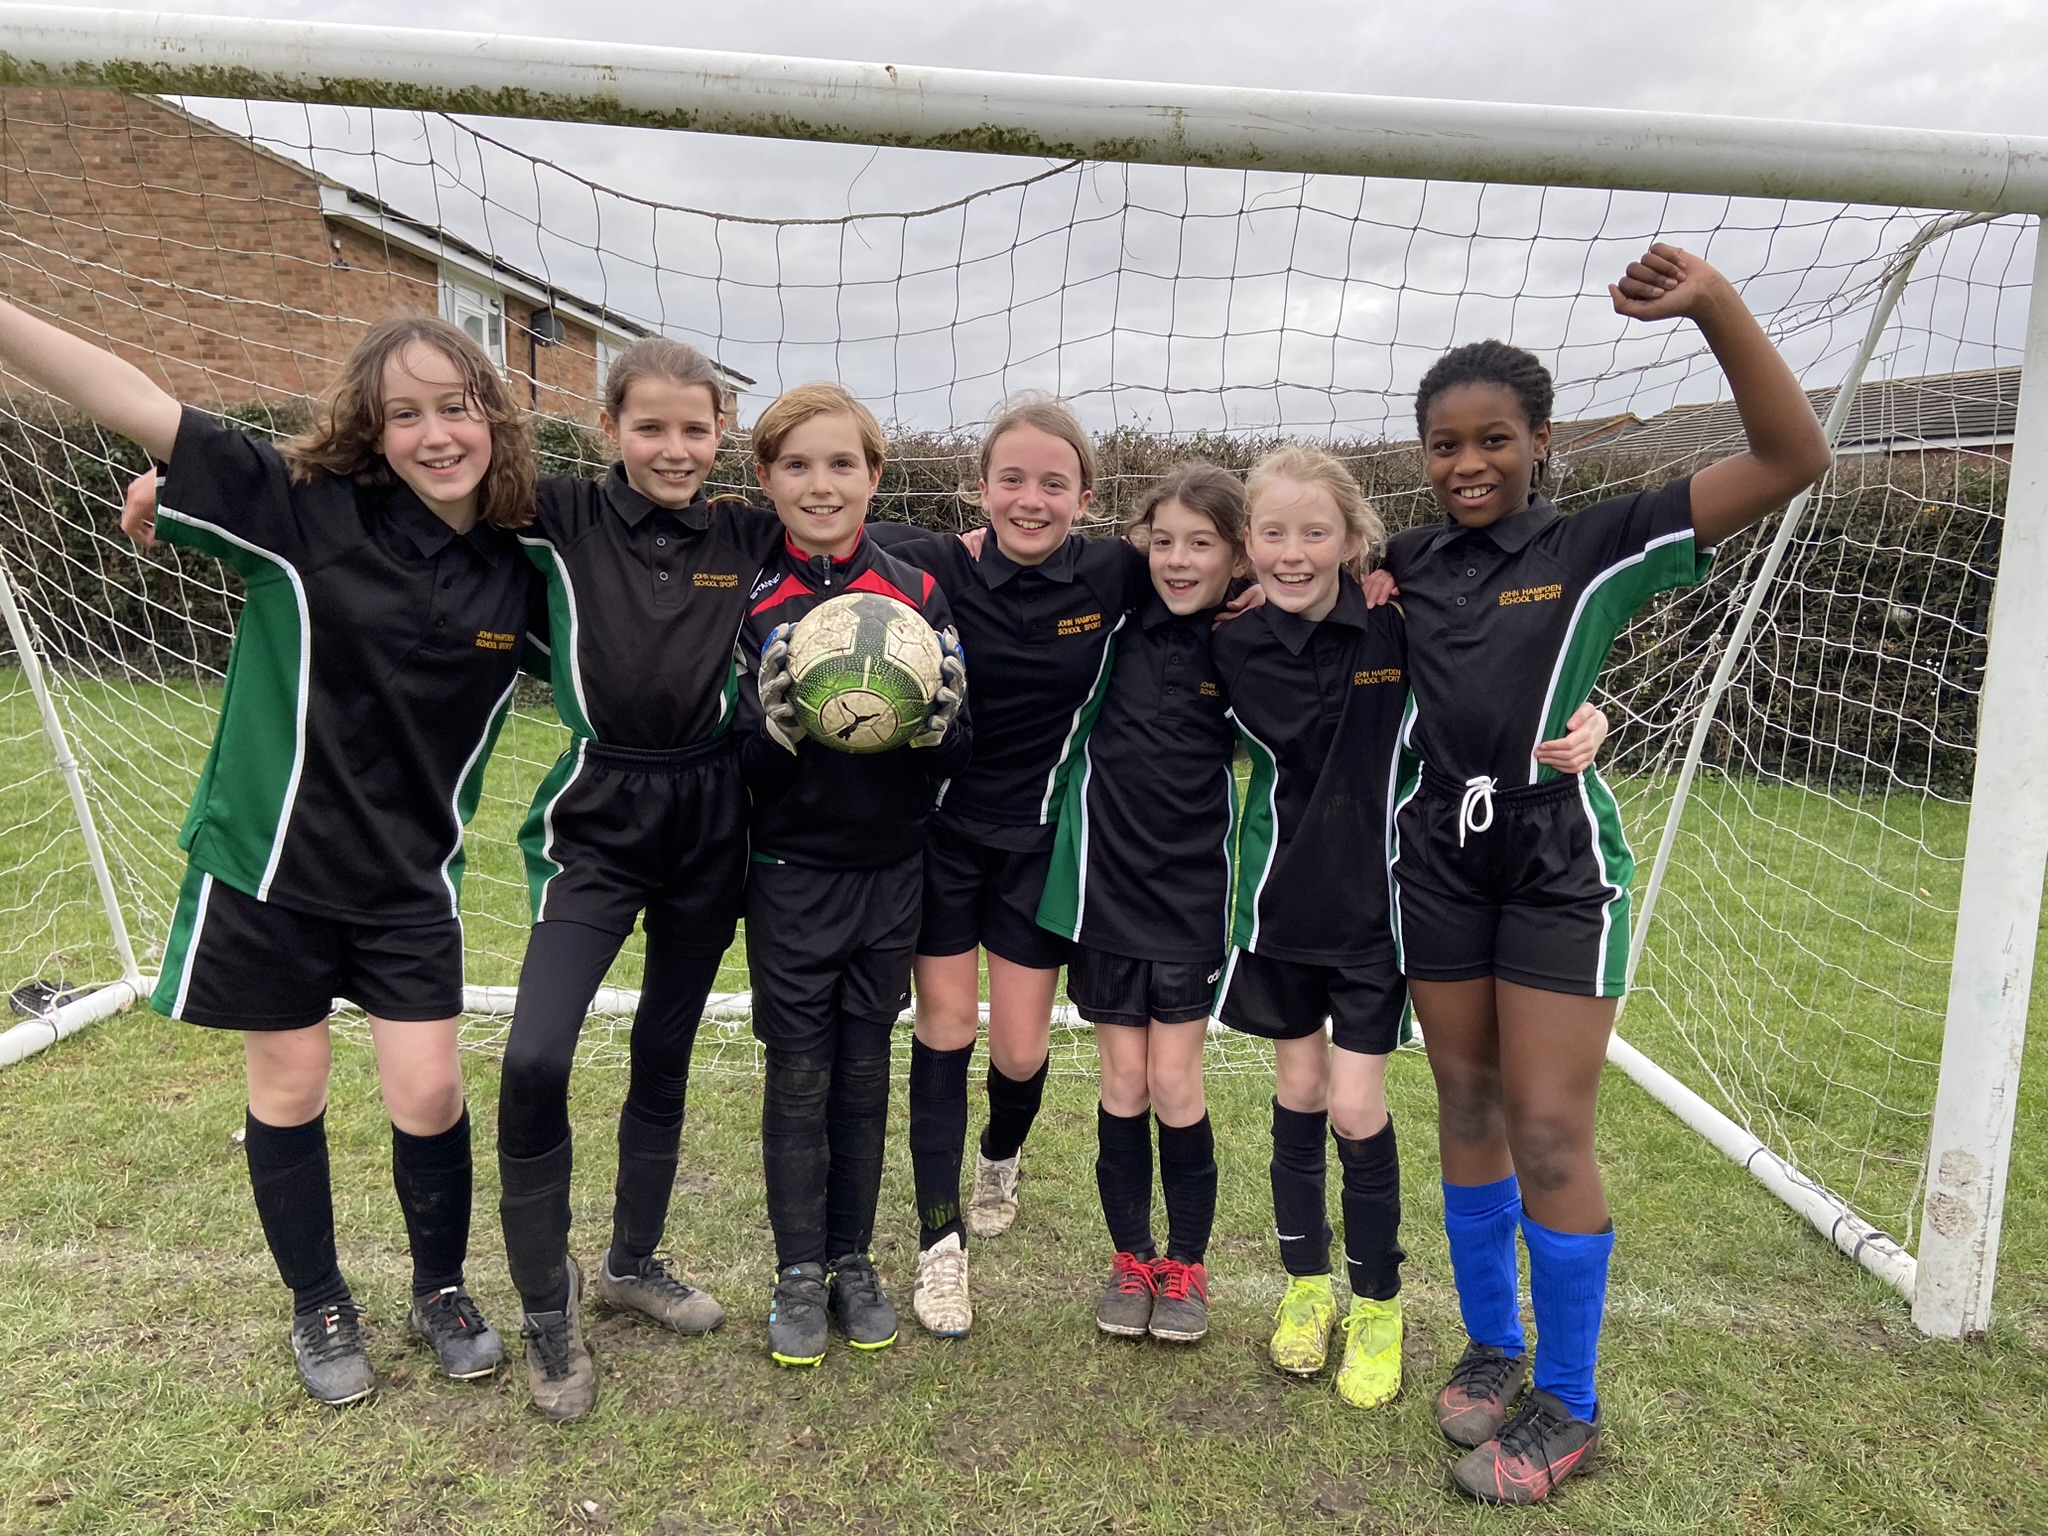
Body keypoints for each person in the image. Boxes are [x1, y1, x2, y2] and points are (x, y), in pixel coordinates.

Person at [10, 300, 545, 1406]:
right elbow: (129, 397)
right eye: (405, 415)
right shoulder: (303, 513)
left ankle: (440, 1289)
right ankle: (319, 1303)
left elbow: (647, 610)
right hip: (268, 871)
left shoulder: (521, 566)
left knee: (430, 1089)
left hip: (409, 883)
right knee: (290, 1081)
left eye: (455, 407)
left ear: (494, 416)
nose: (435, 433)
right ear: (372, 427)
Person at [1376, 243, 1830, 1503]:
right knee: (1463, 1106)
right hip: (1437, 861)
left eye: (1491, 439)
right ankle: (1491, 1347)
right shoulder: (1400, 566)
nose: (1466, 463)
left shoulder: (1601, 541)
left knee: (1545, 1122)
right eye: (1442, 444)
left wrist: (1716, 310)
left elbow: (1795, 459)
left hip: (1556, 864)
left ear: (1538, 439)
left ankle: (1566, 1407)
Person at [1214, 445, 1612, 1414]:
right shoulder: (1223, 643)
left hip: (1379, 913)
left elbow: (1504, 679)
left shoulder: (1395, 625)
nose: (1292, 551)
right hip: (1272, 912)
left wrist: (1589, 712)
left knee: (1356, 1108)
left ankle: (1379, 1305)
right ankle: (1305, 1289)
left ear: (1353, 542)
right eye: (1272, 532)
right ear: (1247, 544)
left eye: (1315, 532)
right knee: (1297, 1095)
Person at [494, 338, 788, 1421]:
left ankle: (628, 1262)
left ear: (721, 438)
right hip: (599, 818)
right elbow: (402, 491)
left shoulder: (747, 533)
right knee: (534, 1055)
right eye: (652, 427)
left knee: (665, 1044)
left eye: (696, 429)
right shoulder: (557, 513)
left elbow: (868, 539)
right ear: (609, 426)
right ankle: (544, 1308)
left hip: (714, 817)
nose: (675, 448)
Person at [866, 397, 1149, 1338]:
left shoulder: (1116, 573)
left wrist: (1372, 567)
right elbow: (811, 521)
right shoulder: (928, 561)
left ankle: (1000, 1154)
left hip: (1039, 846)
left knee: (1021, 1050)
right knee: (946, 1029)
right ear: (979, 487)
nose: (1032, 499)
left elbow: (1232, 558)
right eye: (1013, 480)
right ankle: (937, 1247)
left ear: (1086, 497)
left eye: (1054, 483)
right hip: (939, 840)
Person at [735, 382, 969, 1366]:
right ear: (765, 479)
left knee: (865, 1068)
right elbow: (732, 765)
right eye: (796, 465)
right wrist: (765, 728)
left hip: (891, 871)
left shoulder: (914, 592)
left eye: (841, 464)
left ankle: (852, 1260)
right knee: (798, 1073)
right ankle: (797, 1271)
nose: (820, 484)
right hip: (790, 873)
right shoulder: (749, 594)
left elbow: (956, 752)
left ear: (875, 476)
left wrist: (948, 721)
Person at [1035, 463, 1245, 1346]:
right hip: (1105, 891)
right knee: (1121, 1083)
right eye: (1163, 540)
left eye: (1201, 543)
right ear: (1139, 545)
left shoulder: (1248, 639)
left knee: (1173, 1083)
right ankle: (1131, 1258)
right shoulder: (1112, 627)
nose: (1179, 559)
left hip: (1194, 896)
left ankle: (1186, 1265)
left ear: (1237, 555)